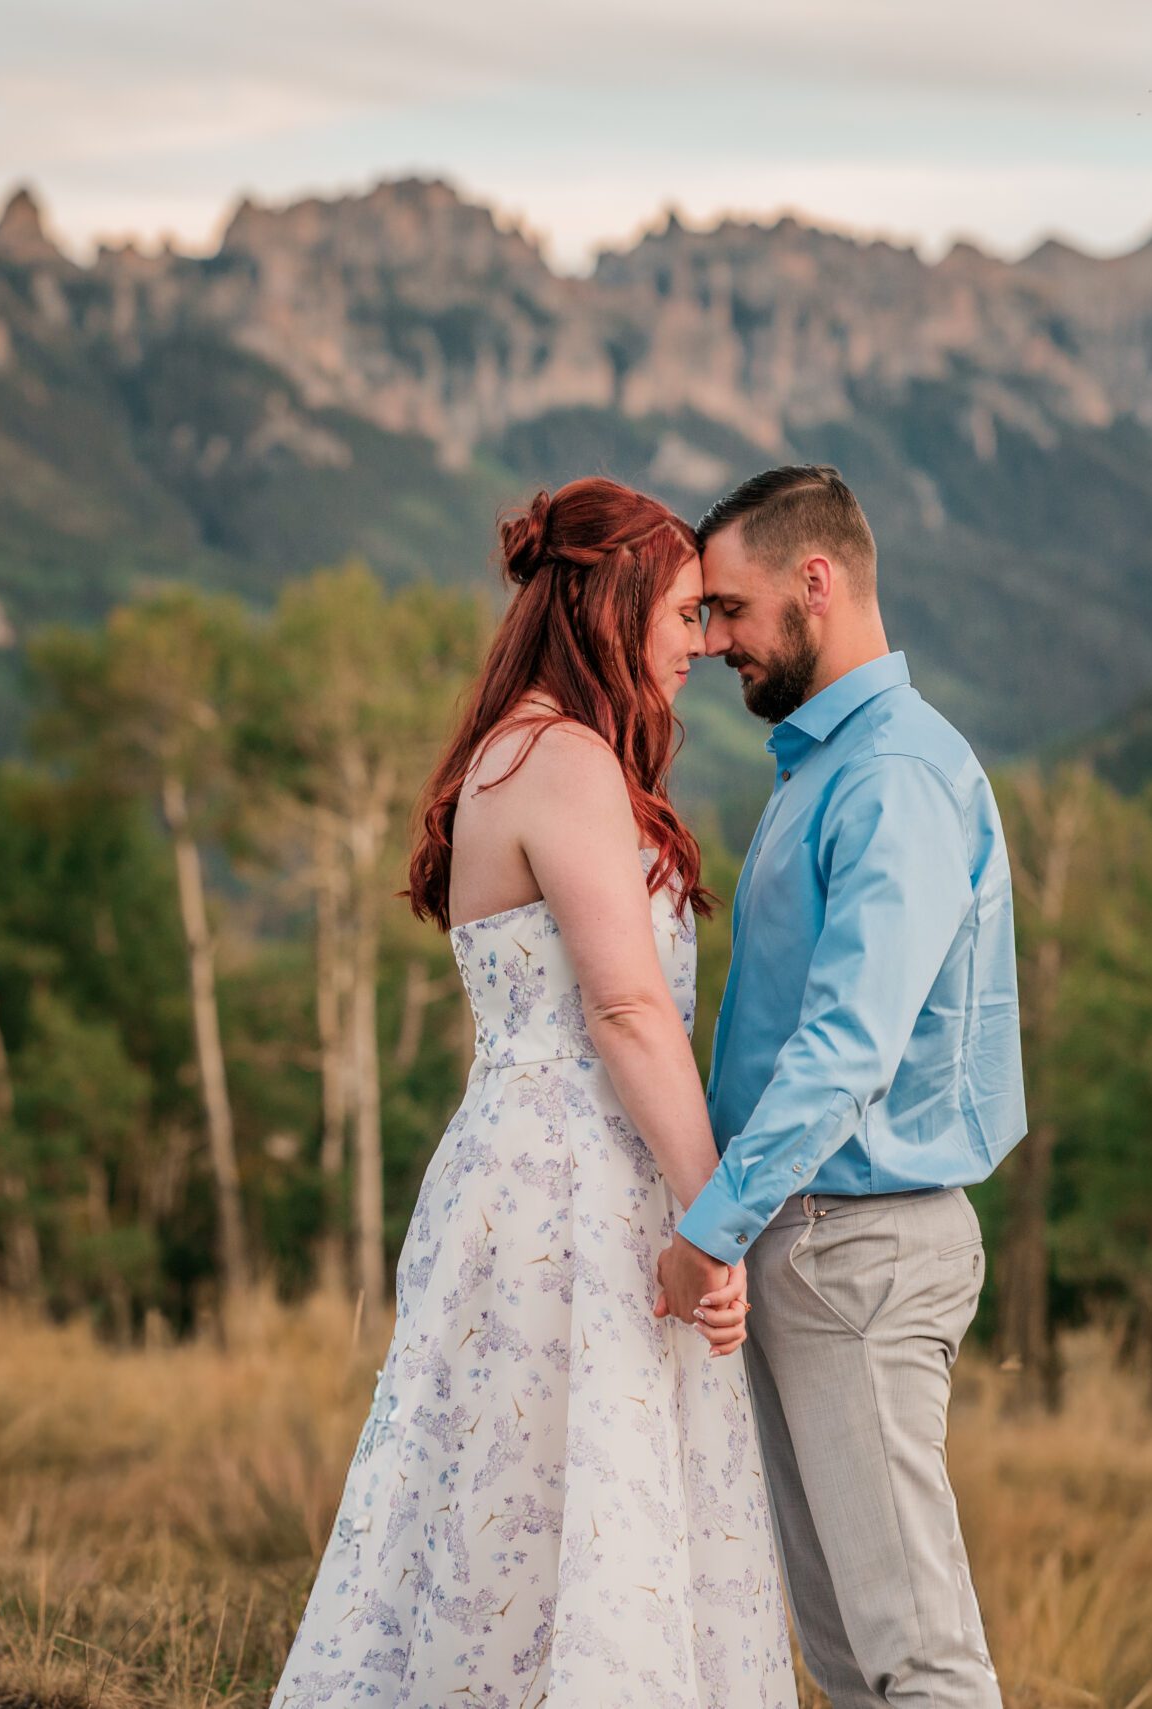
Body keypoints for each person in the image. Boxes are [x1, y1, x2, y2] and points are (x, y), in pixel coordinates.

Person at [271, 477, 797, 1708]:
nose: (701, 643)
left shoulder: (513, 746)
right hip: (571, 1189)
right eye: (680, 614)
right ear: (613, 605)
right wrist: (711, 1216)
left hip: (518, 1171)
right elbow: (624, 1010)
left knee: (504, 1507)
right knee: (559, 1501)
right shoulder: (562, 757)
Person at [654, 465, 1027, 1709]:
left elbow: (848, 1047)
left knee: (917, 1660)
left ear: (817, 583)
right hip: (808, 1241)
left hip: (857, 1248)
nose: (712, 642)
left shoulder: (892, 778)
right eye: (700, 618)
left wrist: (711, 1220)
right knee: (849, 1659)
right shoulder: (826, 765)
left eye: (730, 610)